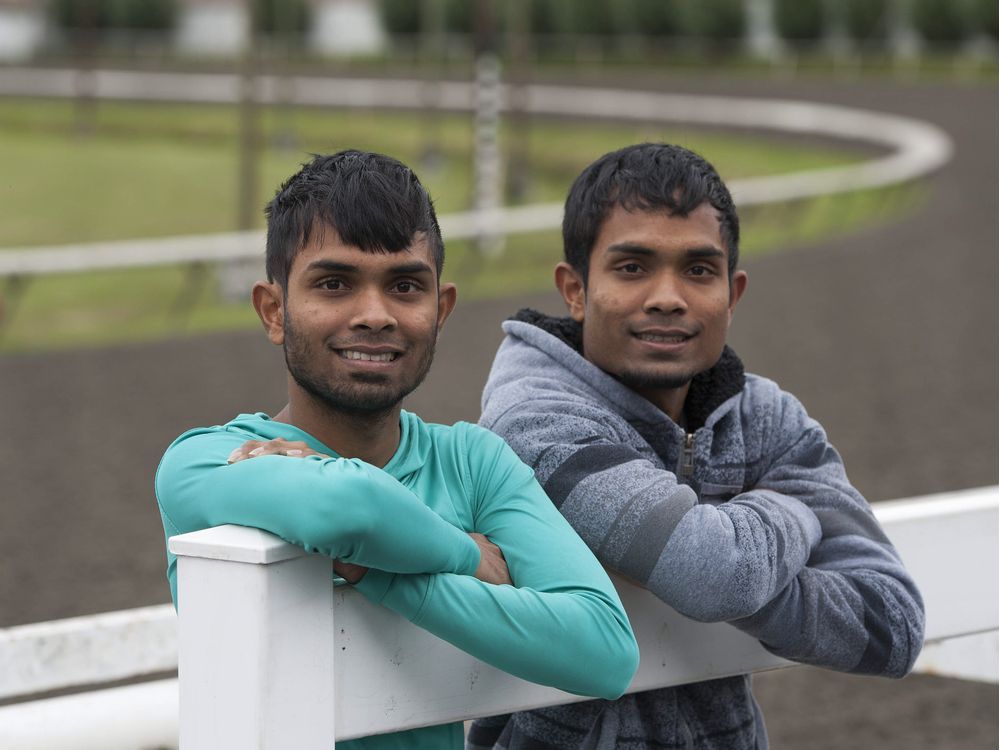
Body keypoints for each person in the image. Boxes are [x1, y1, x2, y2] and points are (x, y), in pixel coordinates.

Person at [154, 150, 639, 750]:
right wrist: (469, 557)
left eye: (405, 286)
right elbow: (351, 510)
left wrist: (373, 570)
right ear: (273, 310)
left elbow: (604, 652)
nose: (375, 315)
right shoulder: (201, 462)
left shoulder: (473, 461)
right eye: (334, 284)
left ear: (440, 310)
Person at [467, 143, 925, 750]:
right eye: (632, 267)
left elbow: (890, 626)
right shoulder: (534, 421)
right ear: (574, 290)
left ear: (732, 295)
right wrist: (792, 510)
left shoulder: (764, 418)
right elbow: (715, 575)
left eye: (698, 270)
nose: (668, 296)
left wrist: (730, 559)